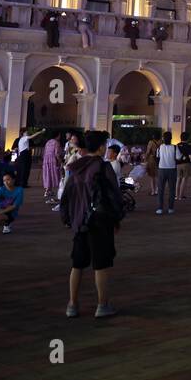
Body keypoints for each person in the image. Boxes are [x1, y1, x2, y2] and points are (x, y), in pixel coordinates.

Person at [59, 130, 123, 317]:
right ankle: (102, 305)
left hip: (80, 221)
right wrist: (117, 218)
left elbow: (67, 195)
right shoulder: (104, 168)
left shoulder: (76, 167)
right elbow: (114, 196)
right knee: (101, 263)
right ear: (102, 147)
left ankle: (72, 304)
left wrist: (67, 218)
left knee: (77, 263)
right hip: (99, 221)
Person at [155, 131, 180, 214]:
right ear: (171, 138)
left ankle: (160, 208)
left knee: (161, 189)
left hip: (161, 169)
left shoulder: (159, 147)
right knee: (172, 190)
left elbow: (157, 157)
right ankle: (170, 208)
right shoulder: (175, 147)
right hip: (172, 169)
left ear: (163, 138)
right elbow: (178, 158)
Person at [41, 132, 63, 204]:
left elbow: (44, 152)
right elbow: (57, 153)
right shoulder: (56, 142)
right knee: (55, 174)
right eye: (59, 135)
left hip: (46, 159)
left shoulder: (48, 142)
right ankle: (57, 191)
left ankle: (47, 190)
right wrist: (60, 162)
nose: (60, 137)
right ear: (57, 136)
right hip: (53, 160)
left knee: (48, 174)